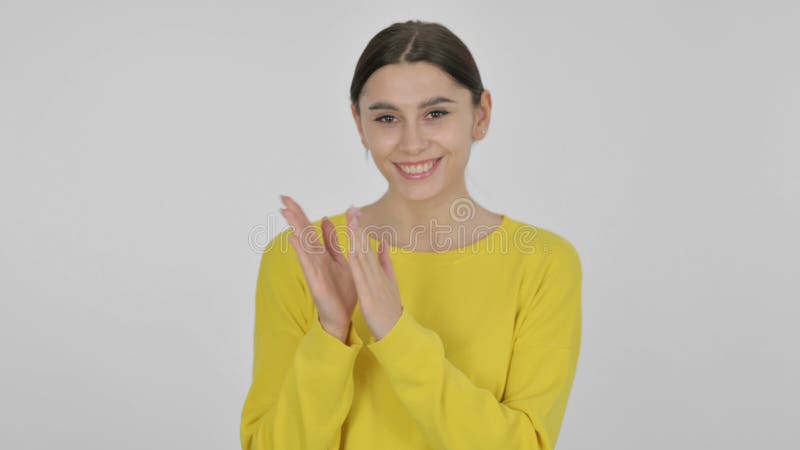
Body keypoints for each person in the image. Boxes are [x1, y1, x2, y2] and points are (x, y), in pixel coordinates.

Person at [240, 19, 582, 450]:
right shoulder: (306, 258)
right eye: (387, 118)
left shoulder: (543, 263)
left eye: (436, 113)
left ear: (482, 115)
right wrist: (331, 331)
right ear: (359, 123)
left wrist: (395, 333)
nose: (412, 142)